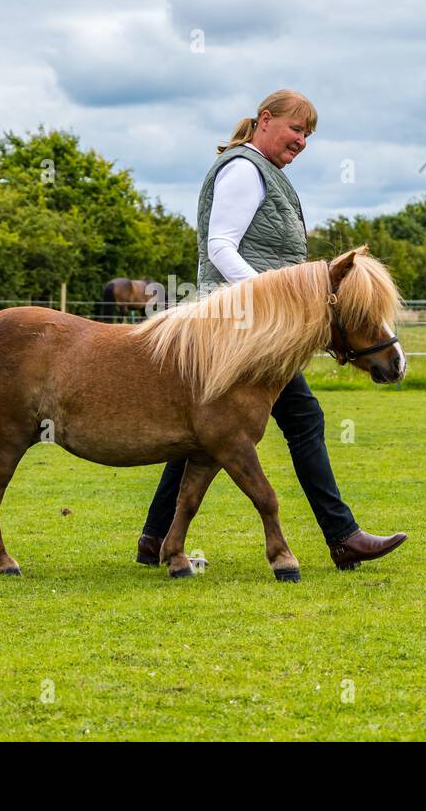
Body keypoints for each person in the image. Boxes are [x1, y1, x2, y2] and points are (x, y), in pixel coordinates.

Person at [135, 89, 408, 571]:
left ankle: (156, 538)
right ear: (265, 120)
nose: (302, 141)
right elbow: (221, 247)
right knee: (302, 420)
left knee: (203, 430)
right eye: (296, 129)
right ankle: (343, 536)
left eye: (308, 134)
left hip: (252, 327)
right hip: (242, 328)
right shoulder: (244, 169)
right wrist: (272, 303)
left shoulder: (266, 173)